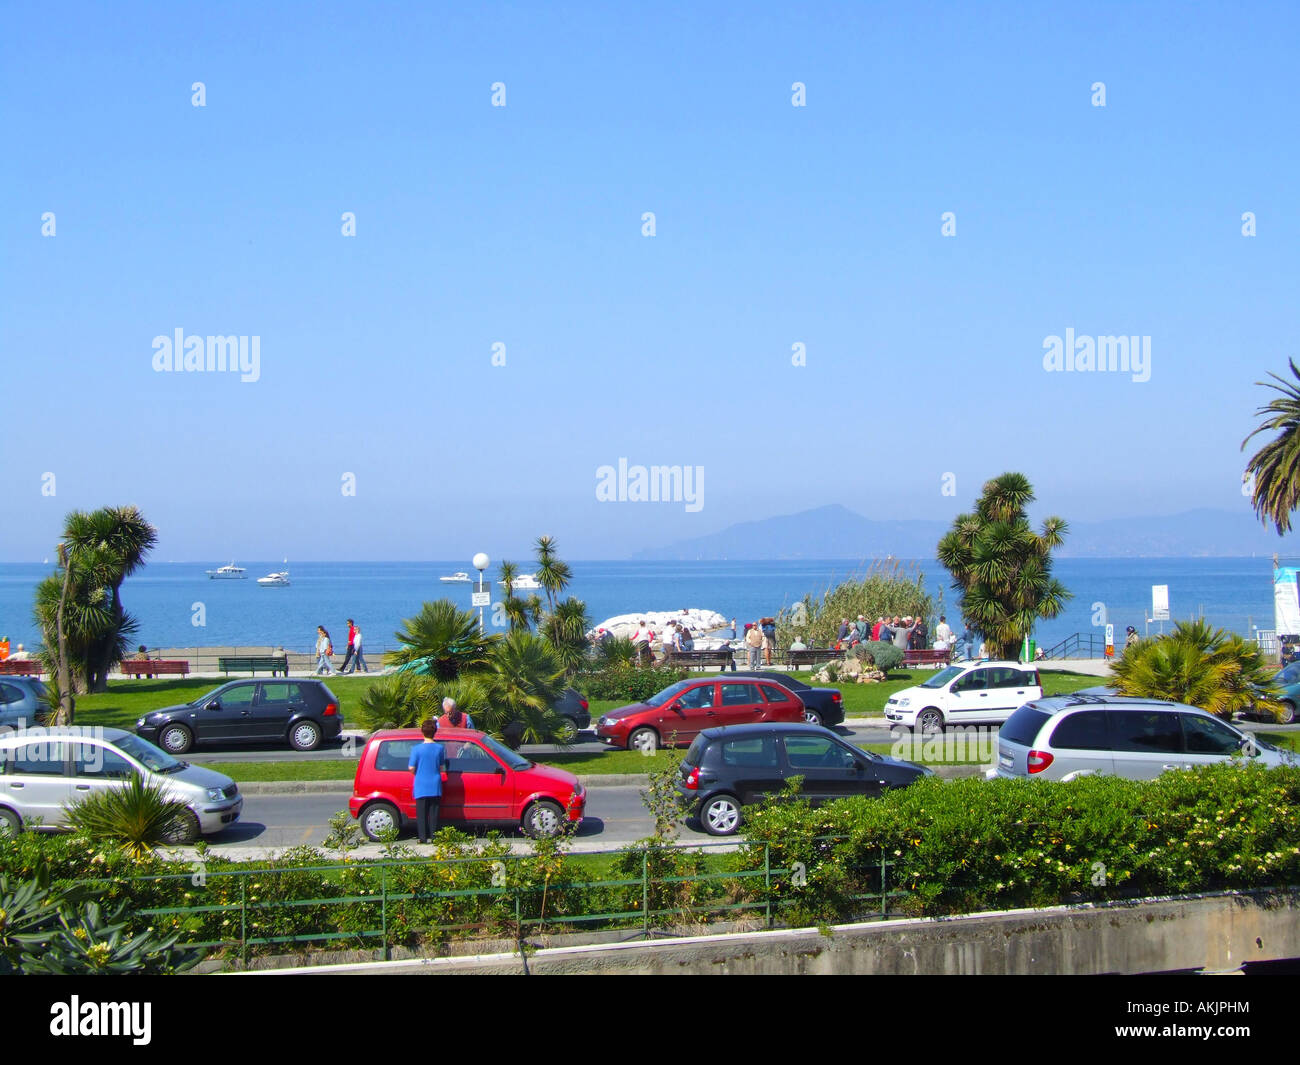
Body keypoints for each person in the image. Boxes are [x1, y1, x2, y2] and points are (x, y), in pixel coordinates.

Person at [407, 718, 446, 843]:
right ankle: (434, 836)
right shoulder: (439, 748)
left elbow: (411, 767)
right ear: (435, 732)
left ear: (422, 732)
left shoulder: (416, 749)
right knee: (434, 813)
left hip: (421, 783)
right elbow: (441, 766)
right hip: (434, 783)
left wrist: (416, 772)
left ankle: (422, 837)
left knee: (421, 813)